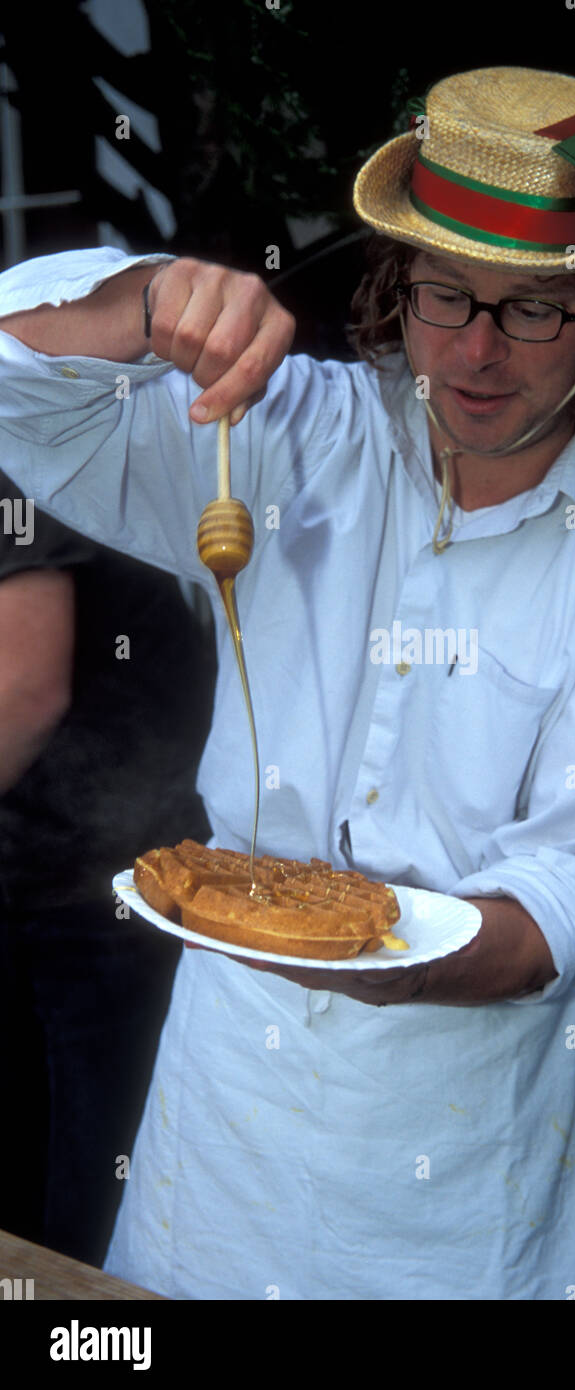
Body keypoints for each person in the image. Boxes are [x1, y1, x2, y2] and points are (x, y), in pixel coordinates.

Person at [0, 67, 575, 1299]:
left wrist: (345, 945)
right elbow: (24, 401)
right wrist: (140, 304)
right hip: (226, 1119)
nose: (478, 351)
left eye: (535, 309)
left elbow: (565, 903)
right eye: (446, 294)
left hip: (469, 1160)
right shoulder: (283, 433)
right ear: (397, 285)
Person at [0, 470, 214, 1266]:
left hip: (111, 897)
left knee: (92, 1209)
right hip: (43, 875)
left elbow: (23, 687)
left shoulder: (11, 443)